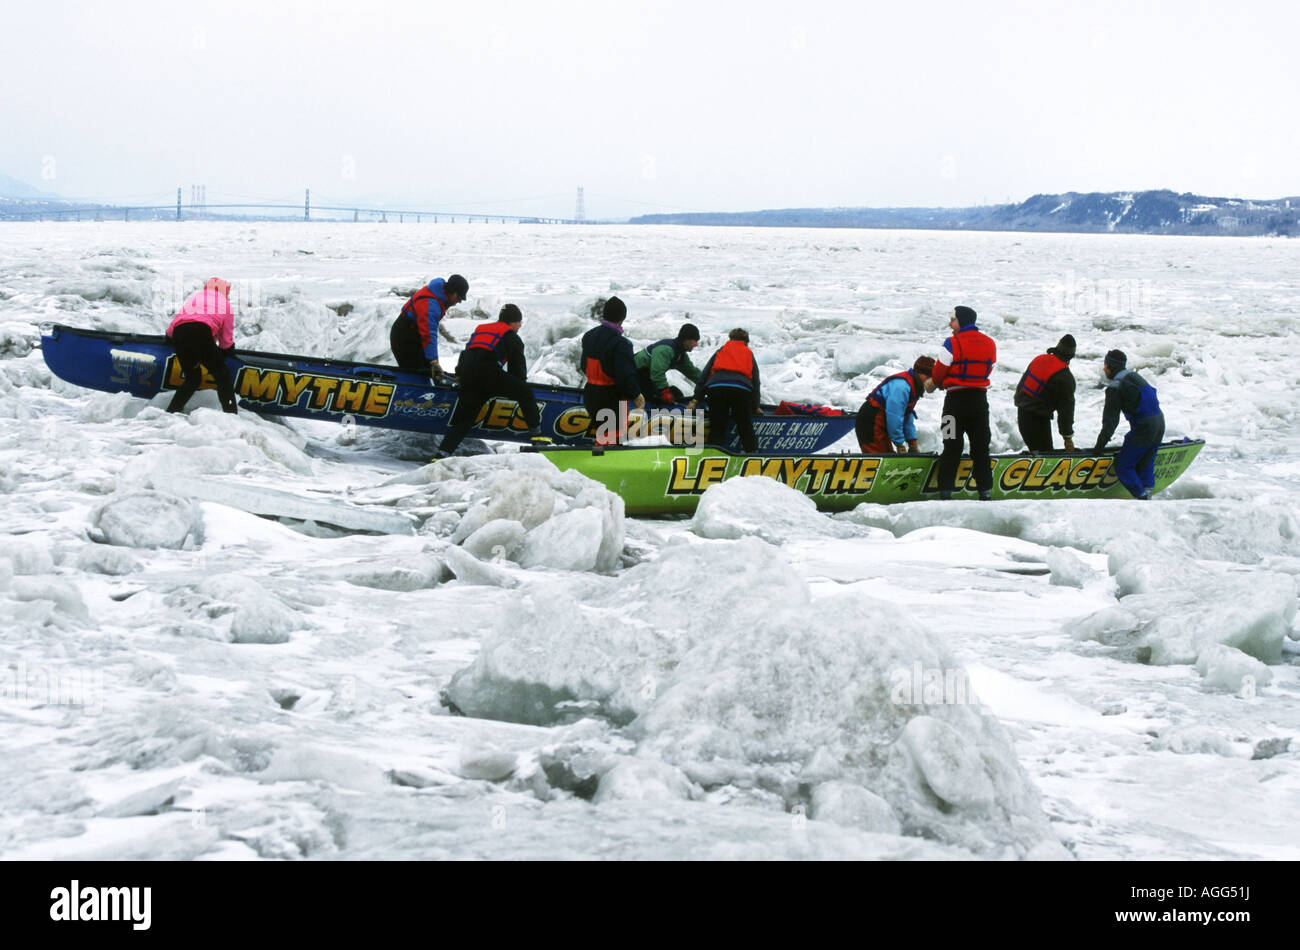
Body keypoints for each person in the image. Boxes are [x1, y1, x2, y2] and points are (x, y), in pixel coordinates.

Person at [433, 304, 550, 458]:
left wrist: (460, 374)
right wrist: (514, 386)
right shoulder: (511, 336)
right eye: (519, 322)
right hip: (488, 373)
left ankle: (442, 454)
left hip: (467, 375)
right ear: (513, 322)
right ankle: (538, 437)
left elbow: (466, 353)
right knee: (525, 392)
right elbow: (518, 372)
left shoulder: (481, 330)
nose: (520, 326)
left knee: (465, 420)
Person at [931, 305, 997, 500]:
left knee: (951, 446)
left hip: (954, 405)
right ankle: (985, 493)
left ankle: (945, 494)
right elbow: (989, 367)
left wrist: (940, 382)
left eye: (953, 319)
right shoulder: (990, 343)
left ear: (962, 321)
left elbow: (938, 373)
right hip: (979, 404)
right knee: (981, 448)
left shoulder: (951, 343)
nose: (950, 324)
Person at [1093, 349, 1165, 499]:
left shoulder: (1115, 386)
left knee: (1124, 466)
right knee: (1145, 463)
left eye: (1105, 365)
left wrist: (1099, 447)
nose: (1103, 368)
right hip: (1159, 422)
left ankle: (1141, 497)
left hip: (1145, 427)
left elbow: (1110, 421)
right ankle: (1148, 494)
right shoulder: (1134, 376)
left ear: (1109, 366)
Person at [166, 277, 238, 414]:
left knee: (193, 378)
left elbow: (174, 325)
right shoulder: (227, 306)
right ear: (225, 291)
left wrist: (170, 339)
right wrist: (225, 352)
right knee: (222, 376)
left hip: (179, 333)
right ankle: (231, 415)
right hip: (201, 332)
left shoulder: (195, 298)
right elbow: (226, 342)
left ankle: (171, 412)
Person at [579, 296, 644, 445]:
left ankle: (596, 461)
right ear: (623, 318)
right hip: (611, 397)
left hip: (590, 394)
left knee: (604, 436)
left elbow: (584, 366)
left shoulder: (589, 336)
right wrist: (636, 394)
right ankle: (601, 464)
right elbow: (625, 375)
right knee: (612, 438)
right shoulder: (622, 343)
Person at [695, 328, 761, 453]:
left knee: (717, 427)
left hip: (716, 389)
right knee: (745, 426)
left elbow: (705, 375)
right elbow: (756, 382)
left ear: (730, 339)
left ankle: (712, 456)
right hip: (741, 390)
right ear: (746, 342)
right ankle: (752, 455)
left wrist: (696, 398)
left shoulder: (721, 351)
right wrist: (755, 406)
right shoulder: (748, 353)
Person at [391, 274, 468, 376]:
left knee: (427, 371)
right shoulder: (431, 305)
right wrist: (434, 360)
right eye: (459, 297)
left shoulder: (440, 294)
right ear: (452, 292)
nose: (460, 301)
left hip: (414, 335)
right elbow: (428, 334)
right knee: (416, 373)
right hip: (403, 336)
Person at [856, 357, 936, 454]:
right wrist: (899, 444)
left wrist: (912, 442)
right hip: (870, 421)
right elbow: (894, 416)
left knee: (888, 454)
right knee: (880, 457)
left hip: (880, 422)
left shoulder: (914, 386)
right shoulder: (902, 387)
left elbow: (907, 417)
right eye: (928, 376)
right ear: (919, 372)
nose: (929, 380)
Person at [1014, 334, 1077, 452]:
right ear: (1071, 356)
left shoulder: (1039, 359)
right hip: (1037, 419)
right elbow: (1066, 411)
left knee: (1037, 451)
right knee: (1045, 455)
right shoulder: (1065, 377)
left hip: (1021, 412)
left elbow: (1021, 386)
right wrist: (1067, 437)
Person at [634, 323, 702, 406]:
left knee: (676, 393)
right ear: (687, 340)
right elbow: (657, 372)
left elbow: (693, 372)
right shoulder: (666, 349)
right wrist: (664, 391)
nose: (696, 344)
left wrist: (709, 384)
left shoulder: (680, 354)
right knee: (657, 397)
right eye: (695, 341)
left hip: (647, 377)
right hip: (634, 376)